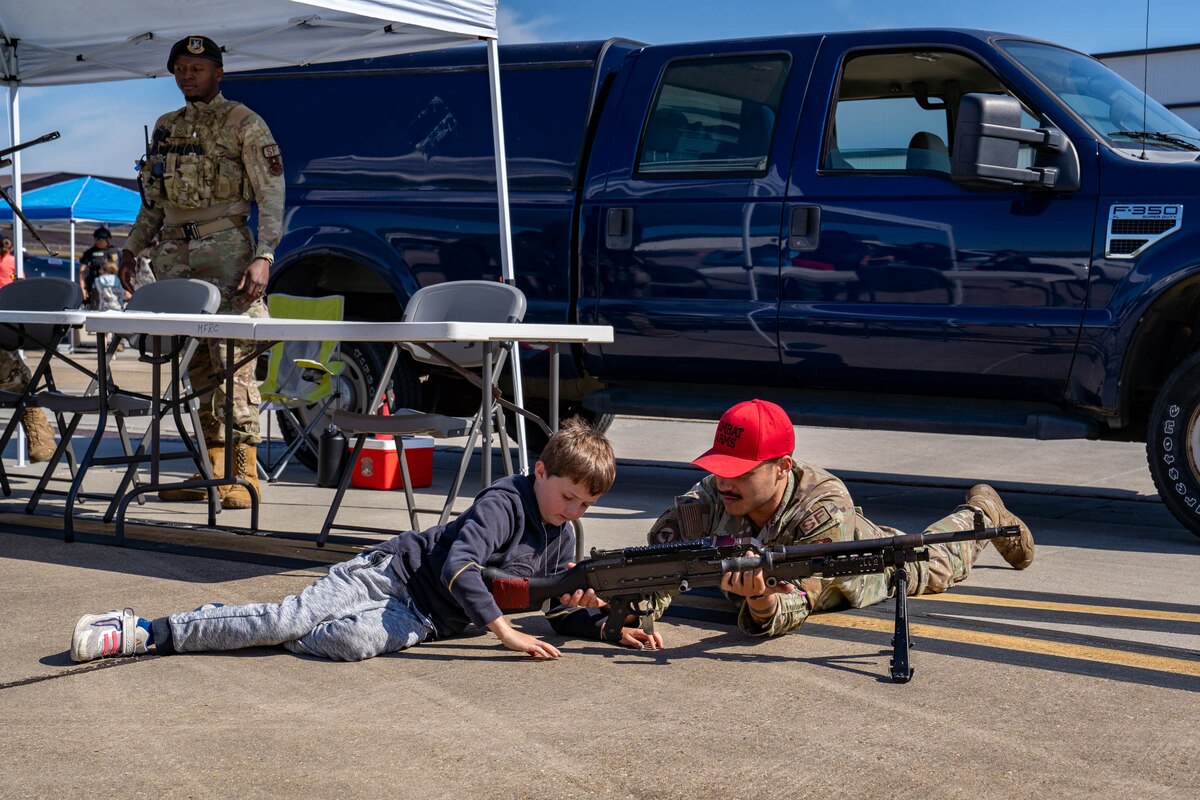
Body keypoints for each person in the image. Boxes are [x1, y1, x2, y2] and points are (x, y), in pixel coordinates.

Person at [70, 418, 660, 663]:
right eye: (568, 496)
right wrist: (502, 630)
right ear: (540, 471)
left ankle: (259, 627)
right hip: (393, 574)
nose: (573, 511)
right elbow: (460, 564)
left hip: (427, 620)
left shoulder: (563, 534)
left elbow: (555, 606)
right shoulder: (505, 503)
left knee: (343, 644)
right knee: (283, 622)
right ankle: (149, 630)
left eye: (586, 505)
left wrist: (602, 621)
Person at [642, 399, 1035, 637]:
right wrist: (629, 610)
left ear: (782, 467)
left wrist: (760, 600)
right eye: (722, 467)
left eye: (743, 472)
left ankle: (981, 512)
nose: (726, 480)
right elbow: (658, 566)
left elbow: (798, 603)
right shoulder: (712, 494)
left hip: (864, 566)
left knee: (935, 562)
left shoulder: (823, 510)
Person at [119, 35, 285, 510]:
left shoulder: (244, 123)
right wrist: (132, 248)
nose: (188, 76)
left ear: (219, 73)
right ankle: (213, 469)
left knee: (234, 360)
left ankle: (243, 473)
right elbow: (153, 202)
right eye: (180, 69)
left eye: (198, 68)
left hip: (228, 251)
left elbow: (271, 195)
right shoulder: (167, 127)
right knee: (197, 367)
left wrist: (265, 255)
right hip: (175, 256)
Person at [78, 226, 118, 310]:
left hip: (114, 288)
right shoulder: (90, 253)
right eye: (96, 239)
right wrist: (83, 288)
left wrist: (127, 290)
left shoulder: (116, 252)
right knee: (95, 309)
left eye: (101, 240)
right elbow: (82, 271)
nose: (98, 242)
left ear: (109, 239)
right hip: (95, 288)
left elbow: (123, 271)